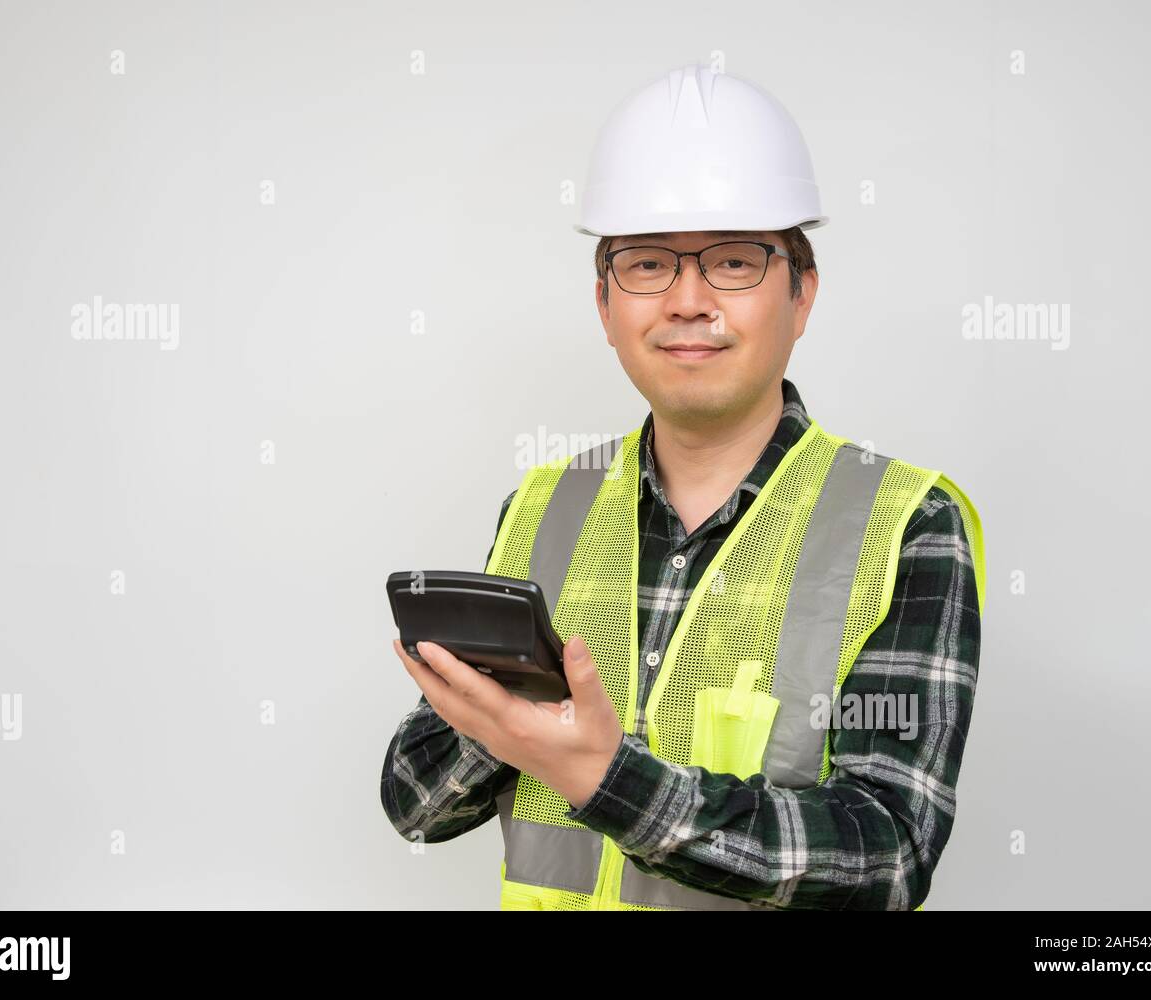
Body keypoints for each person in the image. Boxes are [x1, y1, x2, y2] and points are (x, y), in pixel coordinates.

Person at [380, 63, 985, 910]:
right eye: (648, 264)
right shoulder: (544, 506)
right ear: (603, 303)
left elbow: (885, 854)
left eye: (734, 262)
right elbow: (413, 806)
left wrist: (597, 774)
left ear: (802, 293)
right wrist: (506, 717)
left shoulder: (905, 524)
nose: (688, 301)